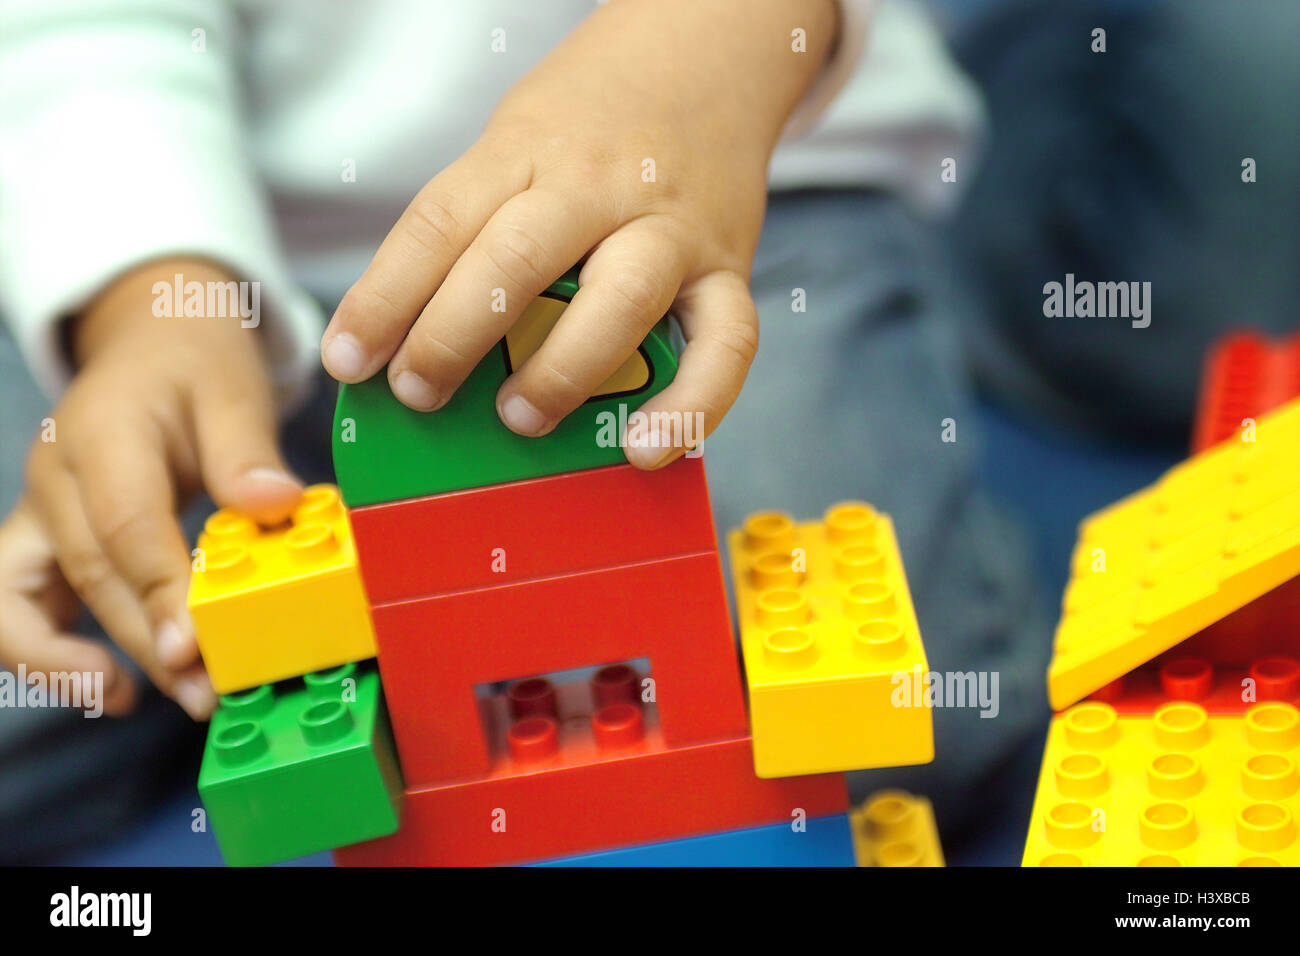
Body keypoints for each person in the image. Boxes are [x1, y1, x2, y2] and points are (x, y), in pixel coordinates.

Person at [0, 0, 1040, 862]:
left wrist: (700, 55)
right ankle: (304, 658)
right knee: (57, 637)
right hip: (252, 249)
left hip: (730, 183)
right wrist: (149, 292)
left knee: (895, 712)